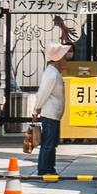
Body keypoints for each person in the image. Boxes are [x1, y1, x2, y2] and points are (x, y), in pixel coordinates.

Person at [31, 43, 71, 176]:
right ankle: (44, 170)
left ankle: (50, 168)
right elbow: (43, 92)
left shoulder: (53, 72)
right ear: (58, 58)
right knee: (48, 143)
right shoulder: (52, 73)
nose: (67, 59)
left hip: (53, 114)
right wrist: (37, 108)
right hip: (50, 114)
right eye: (64, 57)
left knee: (51, 143)